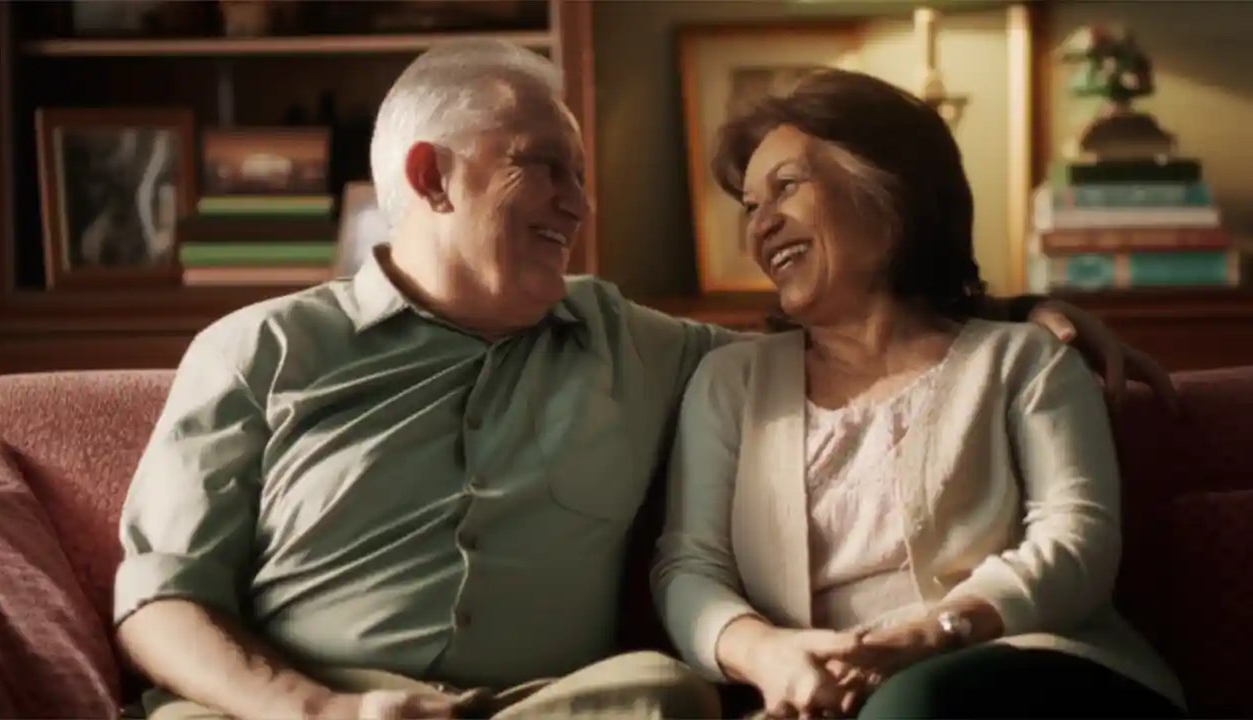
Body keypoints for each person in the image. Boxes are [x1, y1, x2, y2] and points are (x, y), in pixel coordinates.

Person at [114, 41, 1172, 720]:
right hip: (291, 704)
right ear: (431, 177)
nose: (580, 205)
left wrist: (1020, 308)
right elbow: (159, 601)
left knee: (665, 696)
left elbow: (868, 342)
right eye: (545, 166)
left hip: (542, 708)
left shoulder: (640, 343)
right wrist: (322, 713)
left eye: (580, 176)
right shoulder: (258, 350)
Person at [651, 69, 1186, 720]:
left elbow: (1078, 543)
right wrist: (770, 656)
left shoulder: (1025, 360)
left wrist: (930, 634)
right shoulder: (730, 383)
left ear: (889, 188)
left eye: (786, 187)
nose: (761, 225)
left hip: (1034, 674)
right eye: (750, 206)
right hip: (826, 698)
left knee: (912, 701)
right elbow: (690, 568)